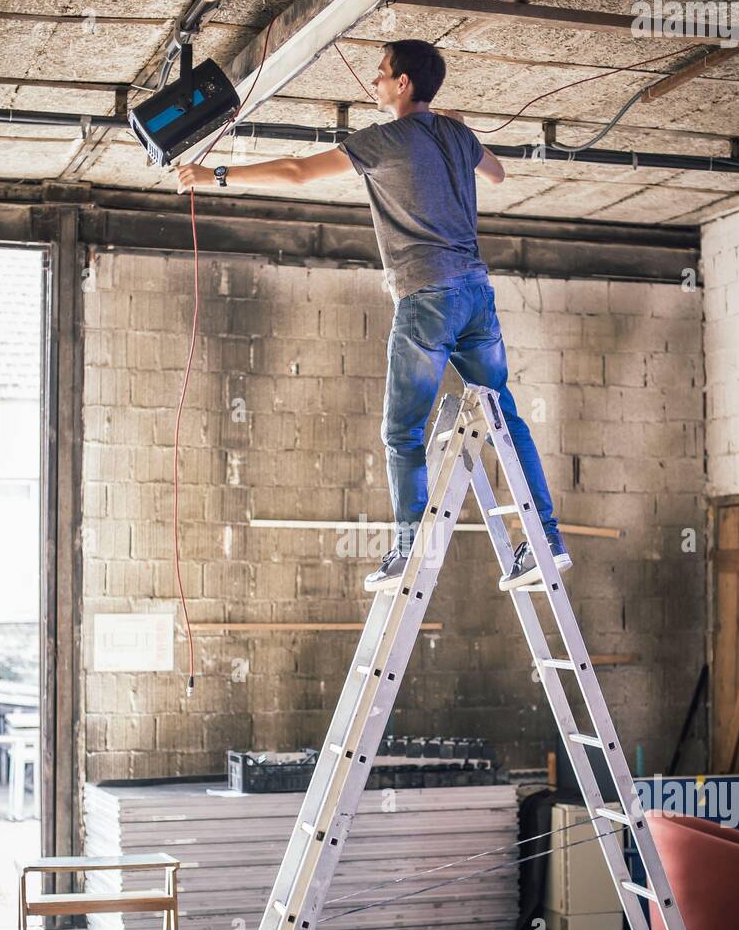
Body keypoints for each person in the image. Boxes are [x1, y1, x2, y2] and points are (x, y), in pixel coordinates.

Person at [176, 38, 569, 592]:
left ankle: (411, 553)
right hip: (476, 295)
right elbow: (498, 175)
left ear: (404, 83)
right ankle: (547, 540)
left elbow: (296, 172)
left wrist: (214, 175)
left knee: (403, 431)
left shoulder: (383, 140)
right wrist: (459, 129)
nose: (374, 82)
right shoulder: (455, 134)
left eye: (381, 73)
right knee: (504, 415)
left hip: (426, 298)